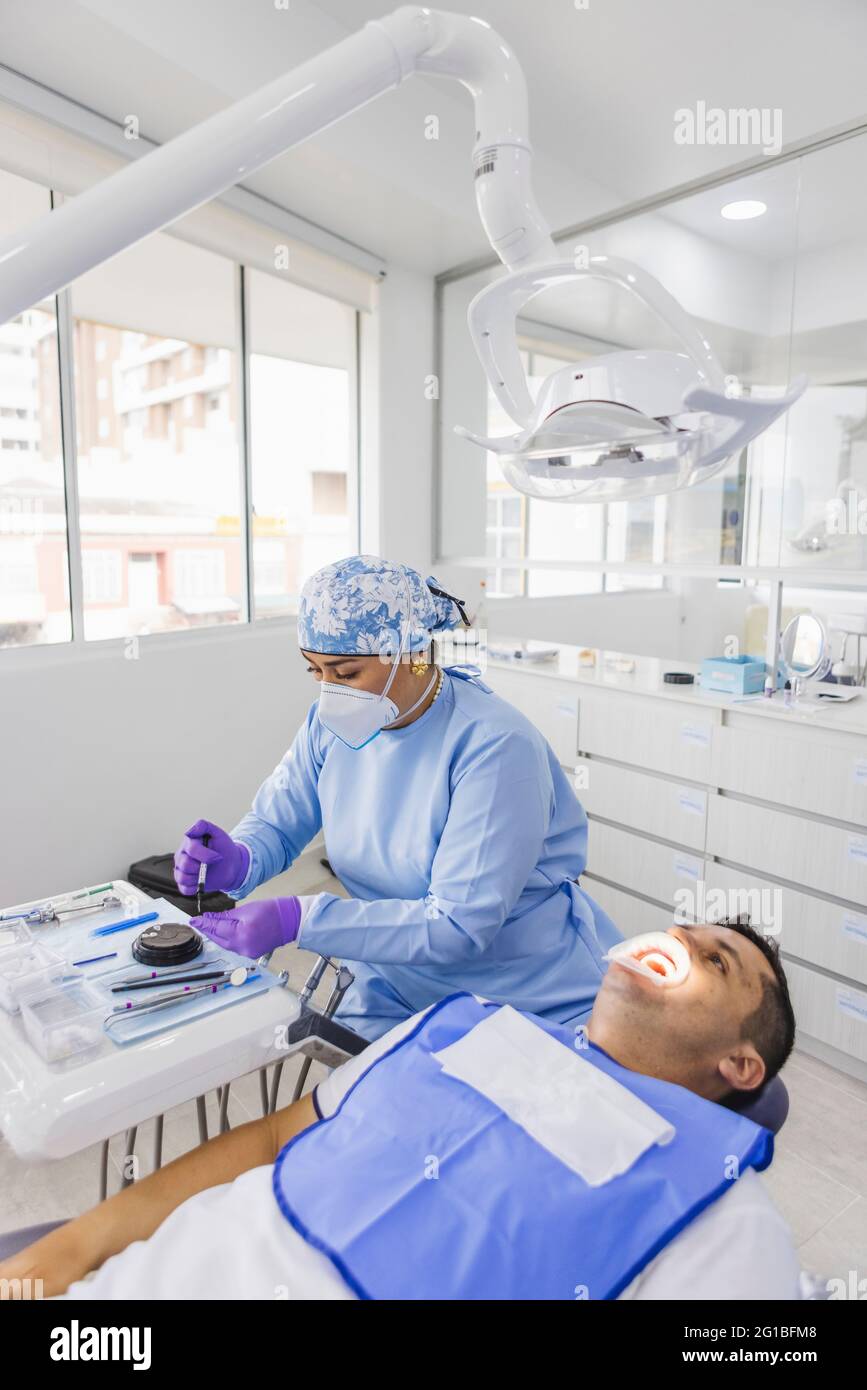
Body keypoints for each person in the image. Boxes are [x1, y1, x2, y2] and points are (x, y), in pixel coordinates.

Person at [0, 919, 801, 1301]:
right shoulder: (460, 1026)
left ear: (739, 1063)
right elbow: (276, 1137)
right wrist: (66, 1251)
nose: (681, 941)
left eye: (716, 961)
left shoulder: (719, 1205)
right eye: (682, 930)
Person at [172, 554, 622, 1040]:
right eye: (315, 671)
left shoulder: (494, 746)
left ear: (413, 655)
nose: (329, 691)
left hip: (522, 995)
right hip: (393, 978)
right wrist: (240, 858)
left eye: (345, 674)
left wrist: (298, 918)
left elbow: (457, 925)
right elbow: (279, 823)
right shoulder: (328, 727)